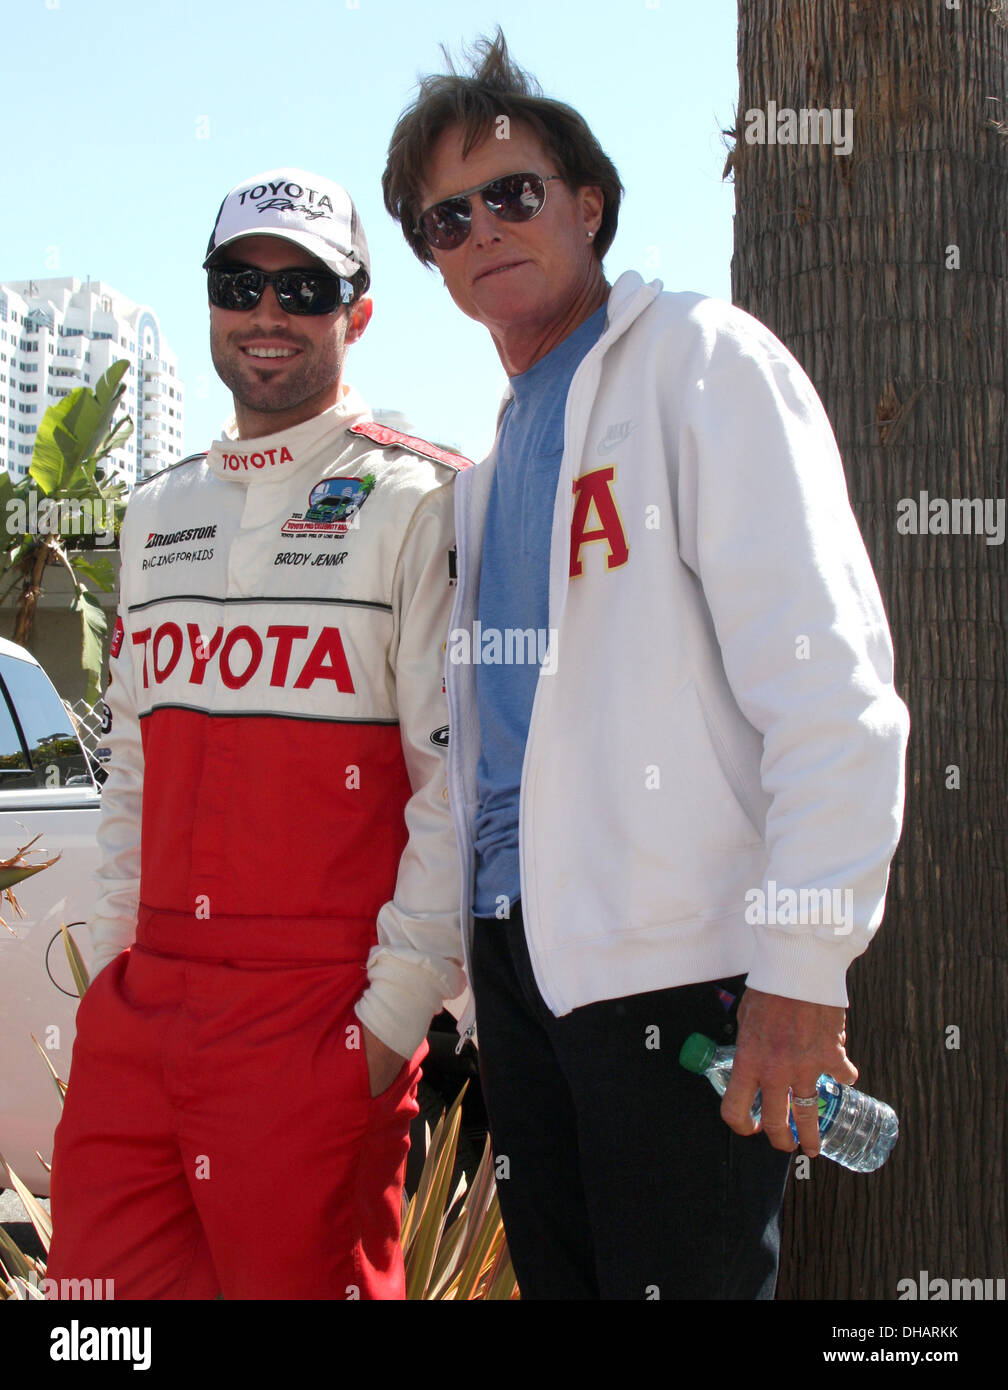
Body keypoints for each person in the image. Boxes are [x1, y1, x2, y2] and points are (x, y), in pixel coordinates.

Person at [382, 35, 910, 1300]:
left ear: (588, 204)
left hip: (680, 967)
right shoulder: (487, 476)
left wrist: (801, 966)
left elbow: (828, 676)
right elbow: (476, 759)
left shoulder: (698, 360)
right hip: (518, 964)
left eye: (513, 193)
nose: (483, 230)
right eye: (446, 218)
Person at [45, 168, 469, 1300]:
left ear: (357, 313)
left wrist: (387, 1025)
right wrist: (114, 971)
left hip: (318, 1021)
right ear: (212, 302)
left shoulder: (421, 498)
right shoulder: (157, 510)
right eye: (242, 283)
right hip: (145, 1013)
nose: (268, 313)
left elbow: (459, 788)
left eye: (306, 287)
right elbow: (131, 761)